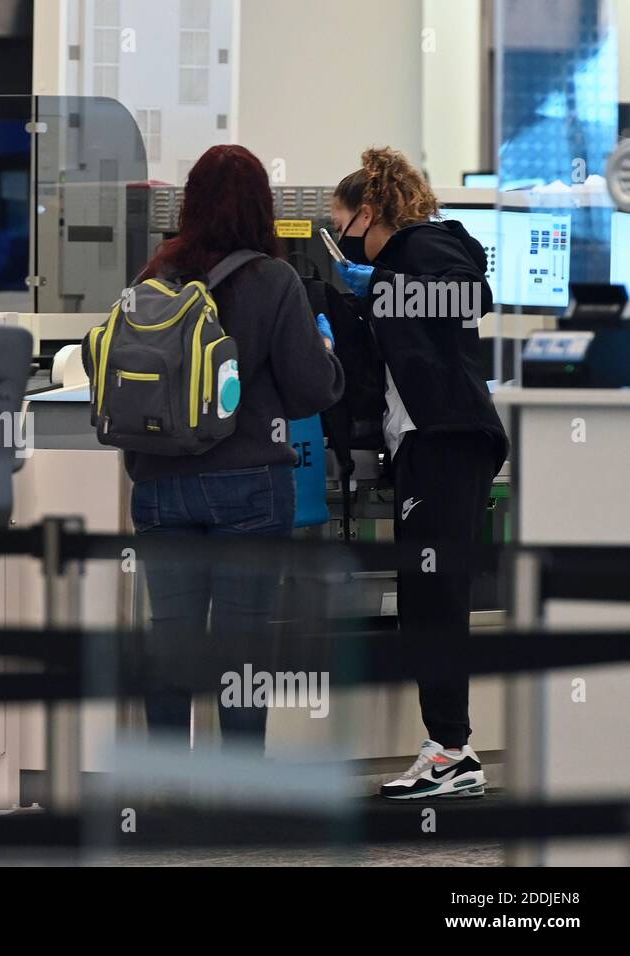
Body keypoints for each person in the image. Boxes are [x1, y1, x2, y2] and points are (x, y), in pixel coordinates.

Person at [127, 145, 344, 749]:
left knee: (171, 636)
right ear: (262, 207)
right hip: (248, 482)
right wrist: (328, 358)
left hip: (160, 481)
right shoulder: (273, 279)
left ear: (191, 201)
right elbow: (308, 391)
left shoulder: (155, 273)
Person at [330, 147, 508, 799]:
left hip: (449, 440)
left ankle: (454, 752)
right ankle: (448, 747)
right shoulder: (400, 264)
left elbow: (471, 293)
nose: (342, 242)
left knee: (436, 600)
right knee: (426, 601)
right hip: (427, 443)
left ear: (369, 214)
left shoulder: (425, 247)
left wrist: (379, 288)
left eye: (343, 225)